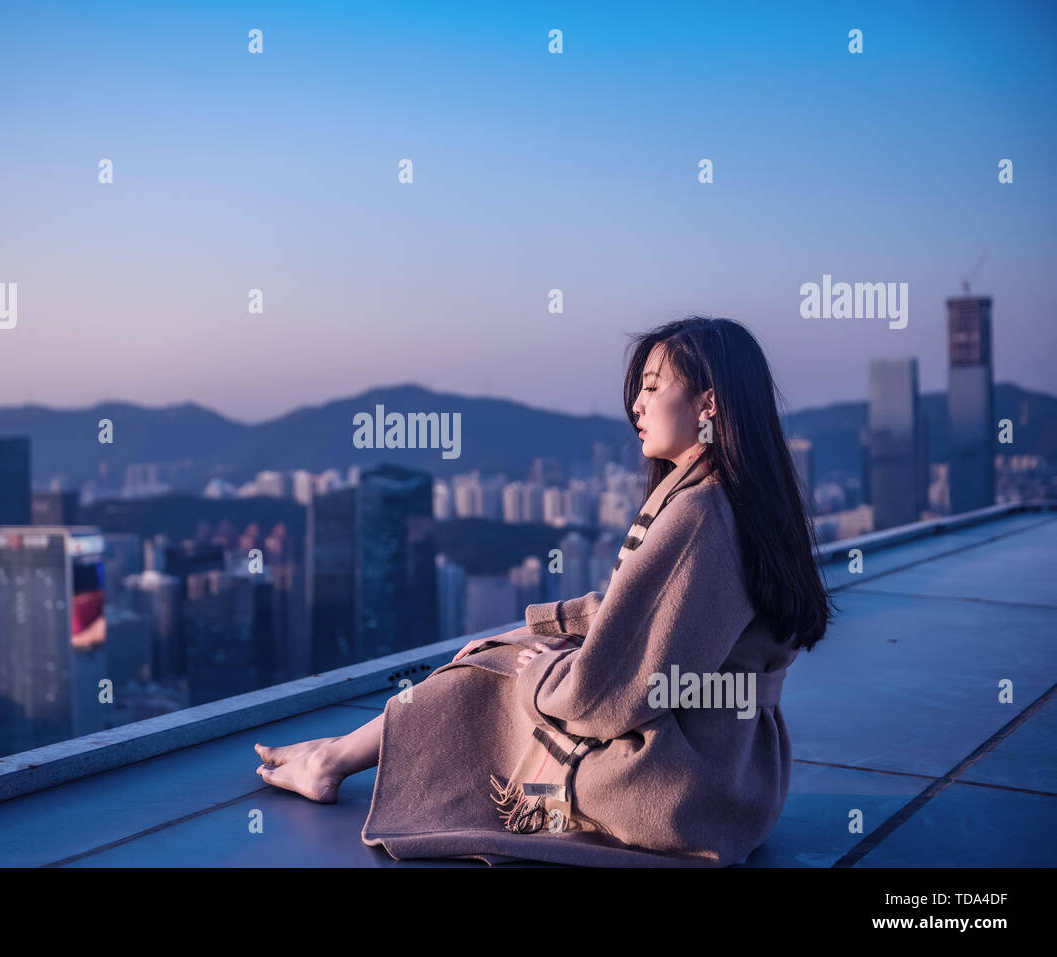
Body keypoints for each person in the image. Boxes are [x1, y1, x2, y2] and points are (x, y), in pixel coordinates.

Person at [255, 316, 837, 865]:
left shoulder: (697, 517)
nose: (635, 403)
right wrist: (539, 629)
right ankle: (333, 753)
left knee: (493, 677)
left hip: (679, 788)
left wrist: (535, 670)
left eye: (653, 387)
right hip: (740, 779)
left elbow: (608, 693)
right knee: (511, 653)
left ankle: (329, 761)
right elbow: (639, 615)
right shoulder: (739, 498)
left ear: (708, 403)